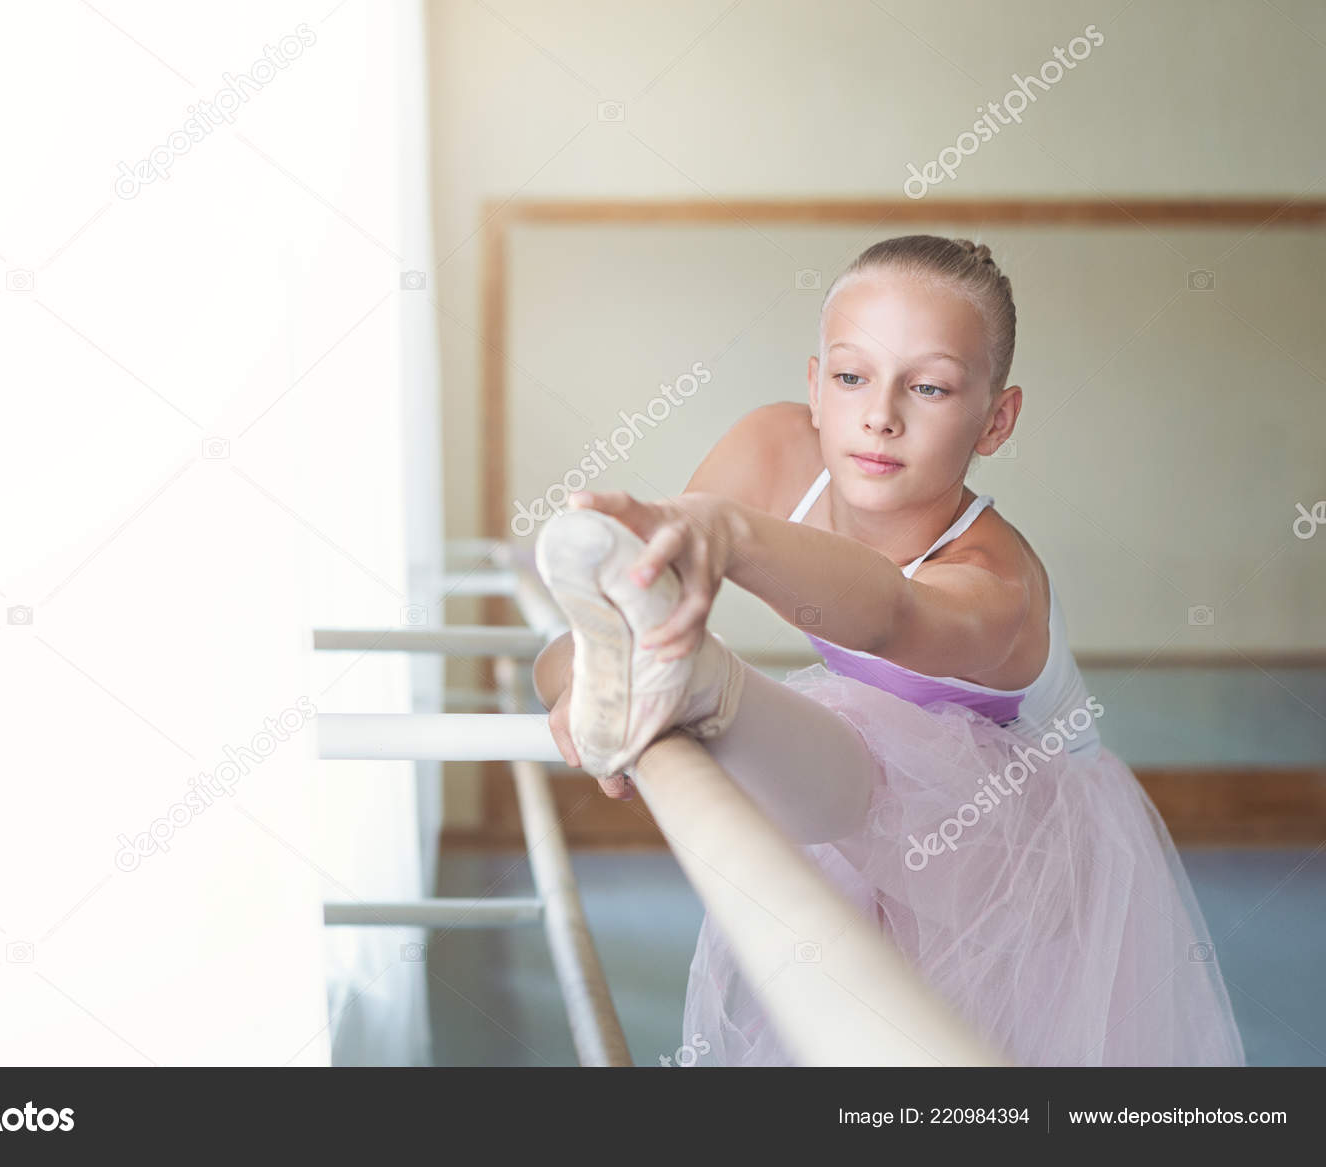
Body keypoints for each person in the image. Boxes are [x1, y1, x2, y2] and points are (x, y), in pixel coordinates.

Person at [529, 234, 1245, 1066]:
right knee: (608, 650)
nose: (880, 414)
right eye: (851, 376)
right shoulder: (772, 449)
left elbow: (888, 611)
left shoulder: (995, 581)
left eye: (931, 386)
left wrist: (728, 533)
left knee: (854, 726)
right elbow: (627, 602)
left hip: (1025, 848)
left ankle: (702, 684)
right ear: (813, 386)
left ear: (996, 419)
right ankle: (656, 678)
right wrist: (584, 680)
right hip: (875, 802)